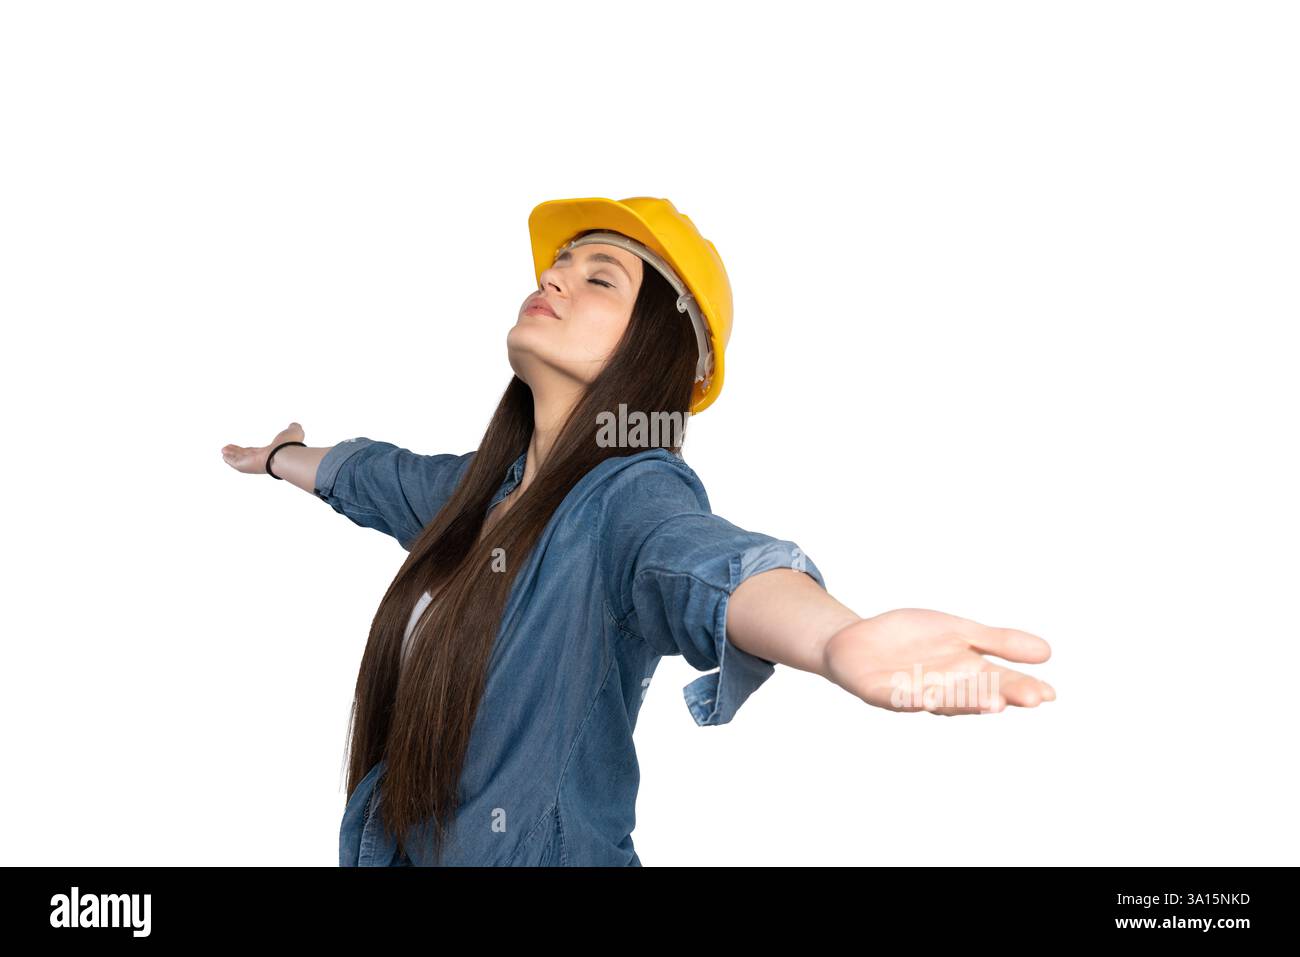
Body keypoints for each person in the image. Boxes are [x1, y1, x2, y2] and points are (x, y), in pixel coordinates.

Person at [221, 196, 1056, 866]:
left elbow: (702, 562)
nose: (553, 278)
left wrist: (835, 638)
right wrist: (284, 457)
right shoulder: (479, 494)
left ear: (657, 344)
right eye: (559, 264)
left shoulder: (627, 496)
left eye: (600, 277)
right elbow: (373, 473)